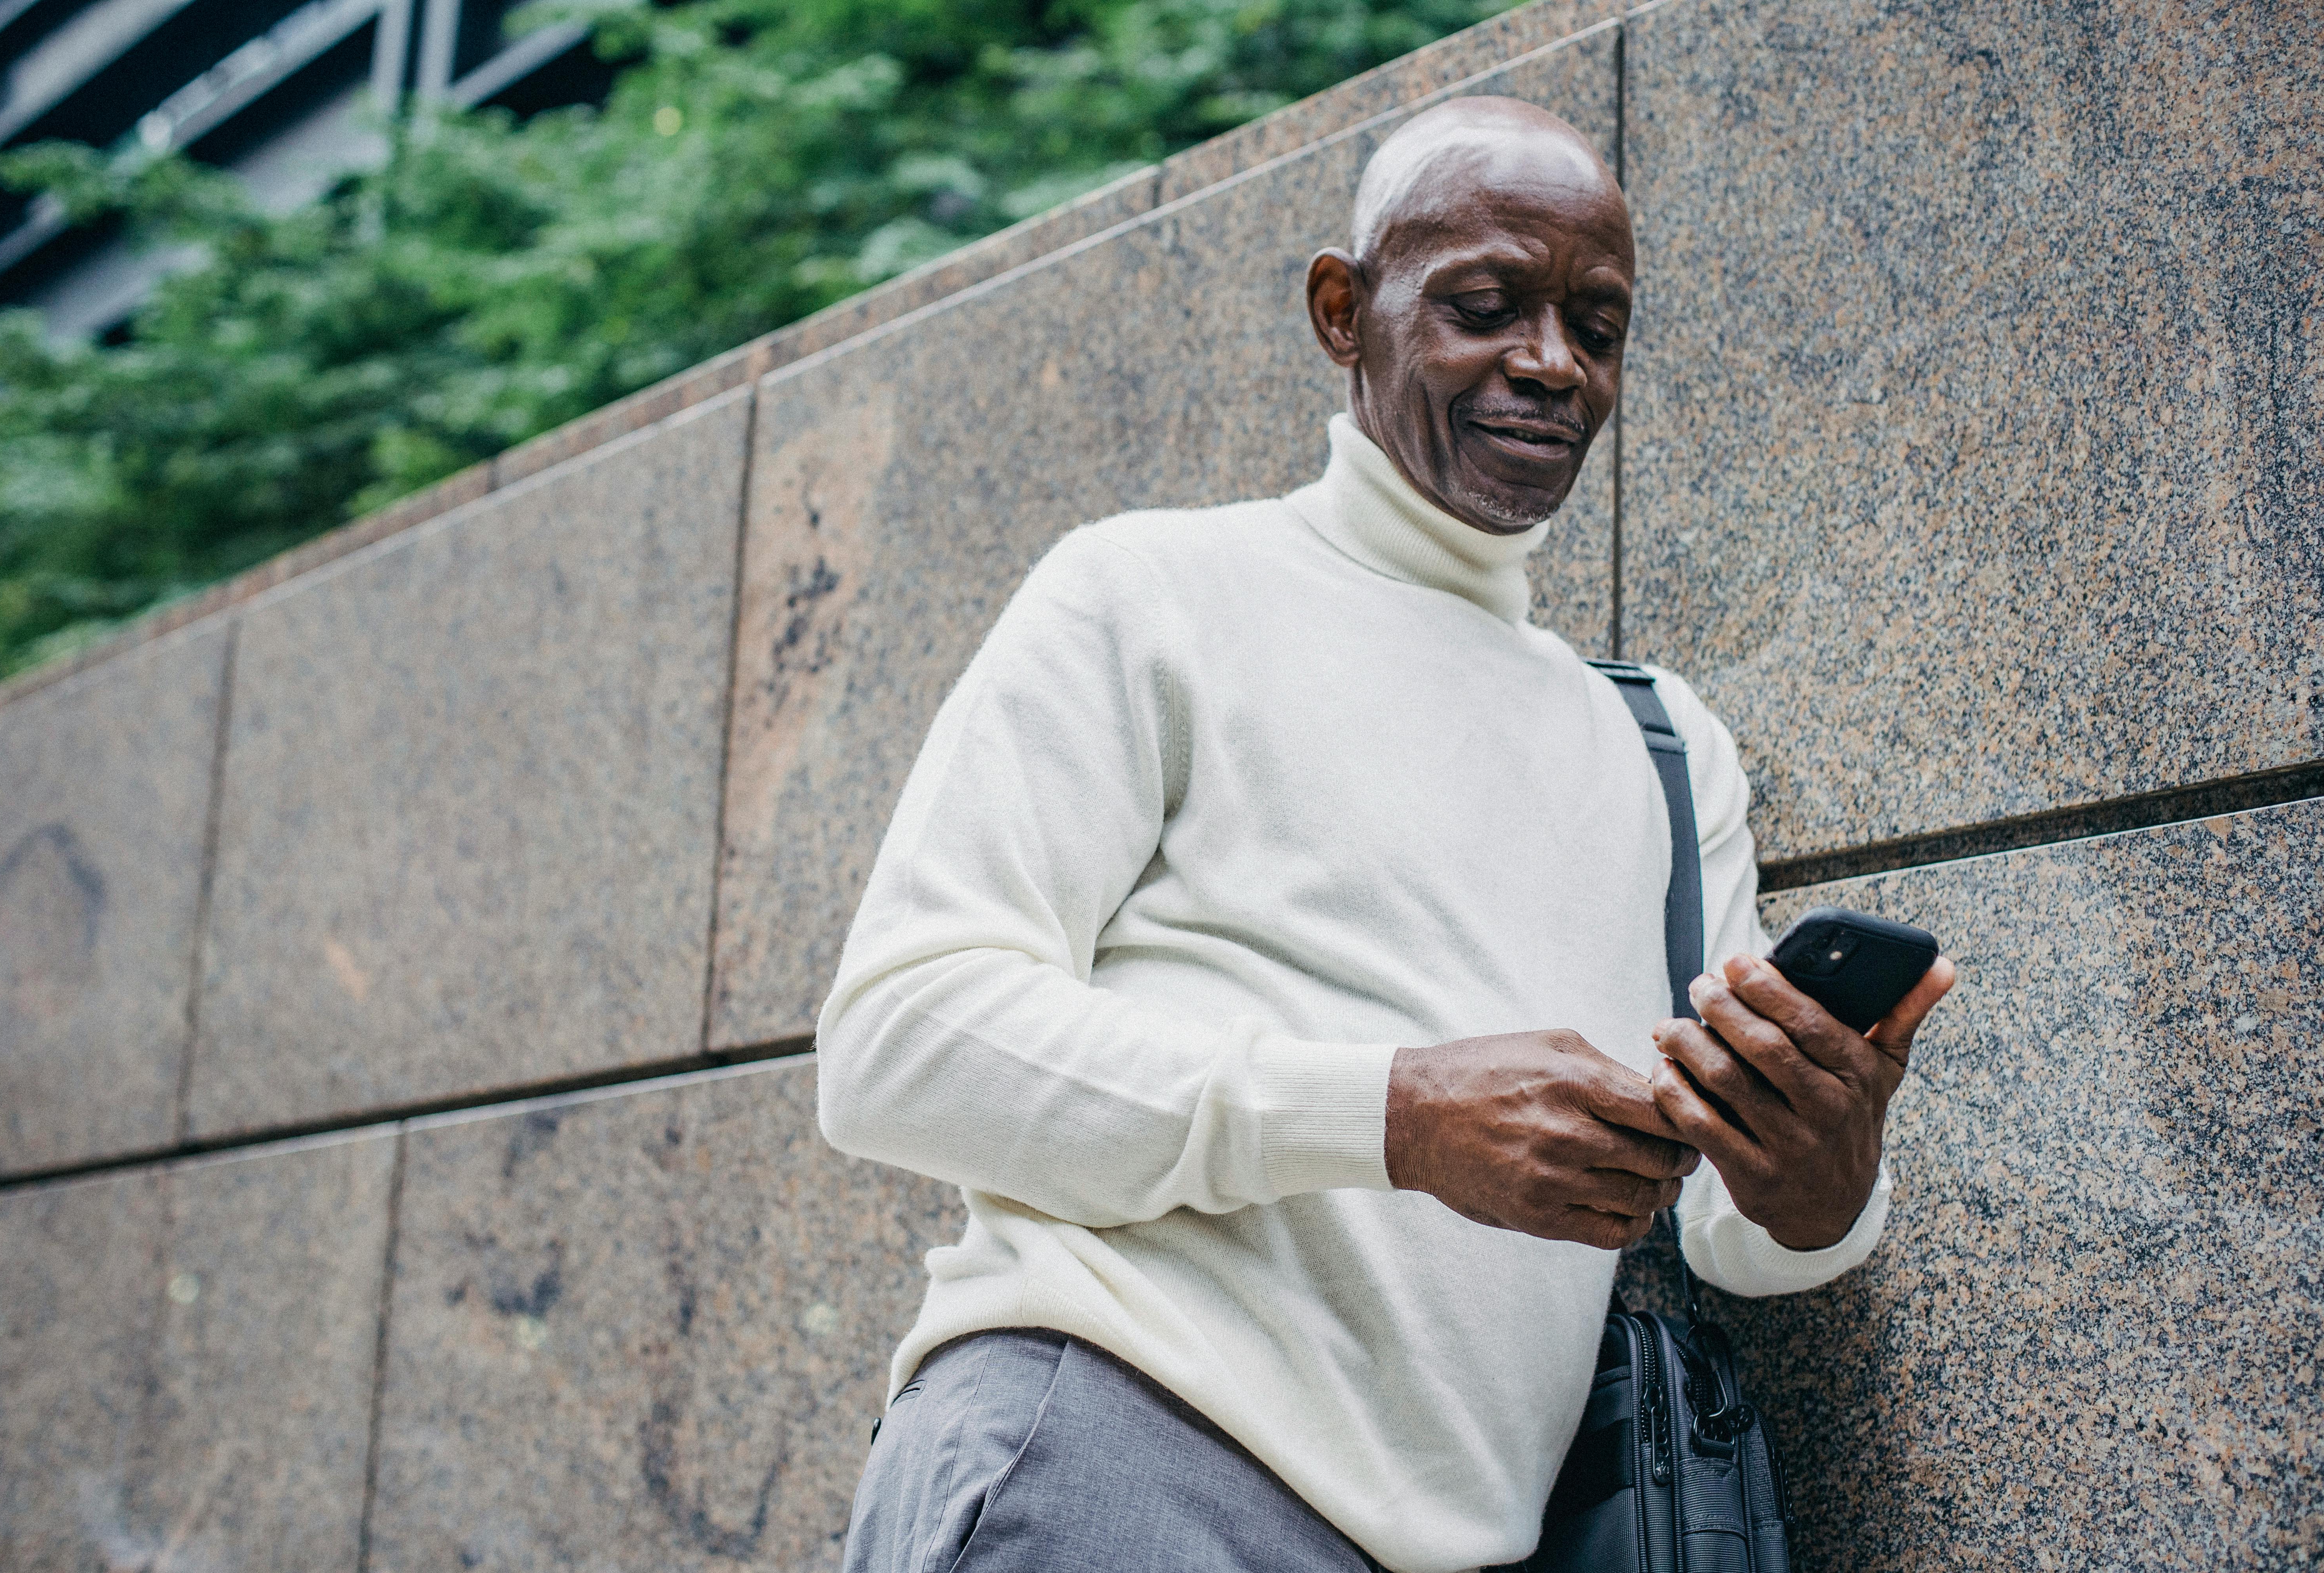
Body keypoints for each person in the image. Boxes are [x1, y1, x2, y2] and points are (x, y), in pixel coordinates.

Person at [817, 96, 1956, 1573]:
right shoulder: (1150, 593)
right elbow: (903, 1045)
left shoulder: (1663, 748)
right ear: (1343, 312)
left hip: (1465, 1549)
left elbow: (1743, 1237)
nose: (1551, 366)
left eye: (1597, 328)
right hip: (1122, 1453)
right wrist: (1396, 1116)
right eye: (1487, 308)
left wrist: (1820, 1174)